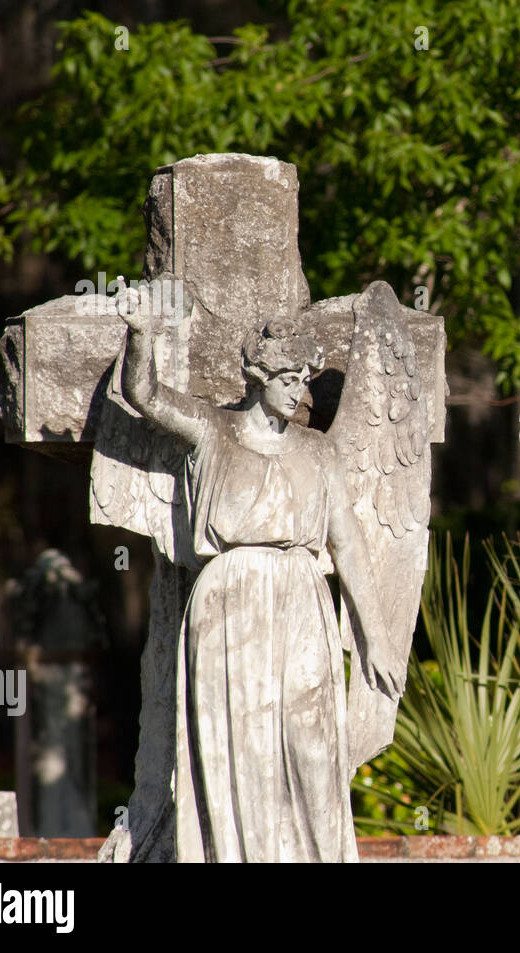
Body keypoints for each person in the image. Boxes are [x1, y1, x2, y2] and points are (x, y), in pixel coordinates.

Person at [118, 287, 402, 862]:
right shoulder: (213, 431)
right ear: (256, 376)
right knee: (239, 744)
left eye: (303, 379)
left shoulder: (320, 453)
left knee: (314, 747)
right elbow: (142, 394)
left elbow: (347, 545)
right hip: (232, 598)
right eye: (287, 379)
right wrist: (142, 334)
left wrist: (373, 634)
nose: (298, 393)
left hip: (302, 597)